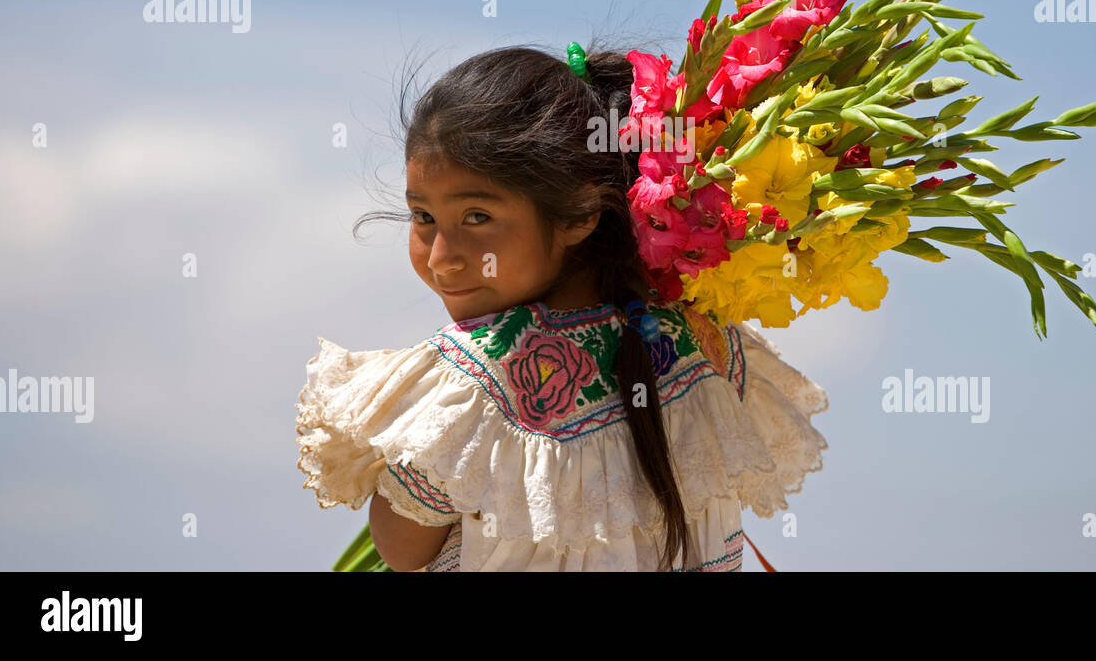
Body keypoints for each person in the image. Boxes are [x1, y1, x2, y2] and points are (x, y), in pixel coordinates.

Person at [295, 44, 828, 571]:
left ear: (580, 214)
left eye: (477, 217)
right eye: (422, 217)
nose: (443, 259)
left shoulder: (473, 378)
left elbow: (400, 548)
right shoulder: (709, 342)